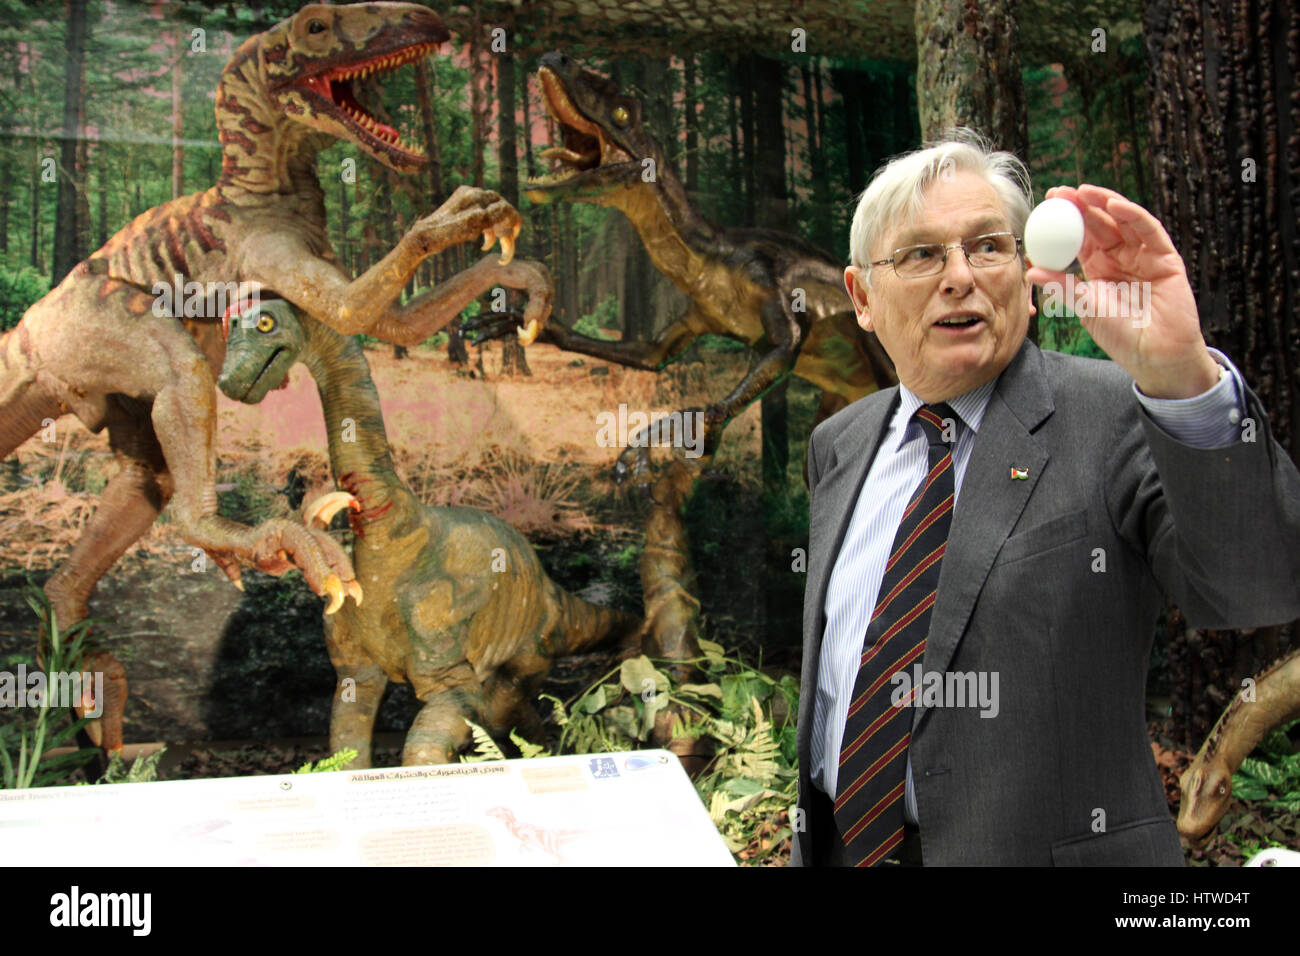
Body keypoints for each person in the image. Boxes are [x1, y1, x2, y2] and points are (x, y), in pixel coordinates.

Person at [790, 129, 1300, 866]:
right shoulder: (839, 443)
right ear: (863, 297)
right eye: (922, 254)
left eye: (988, 246)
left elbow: (1257, 584)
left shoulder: (1120, 415)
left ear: (1027, 272)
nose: (960, 275)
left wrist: (1184, 379)